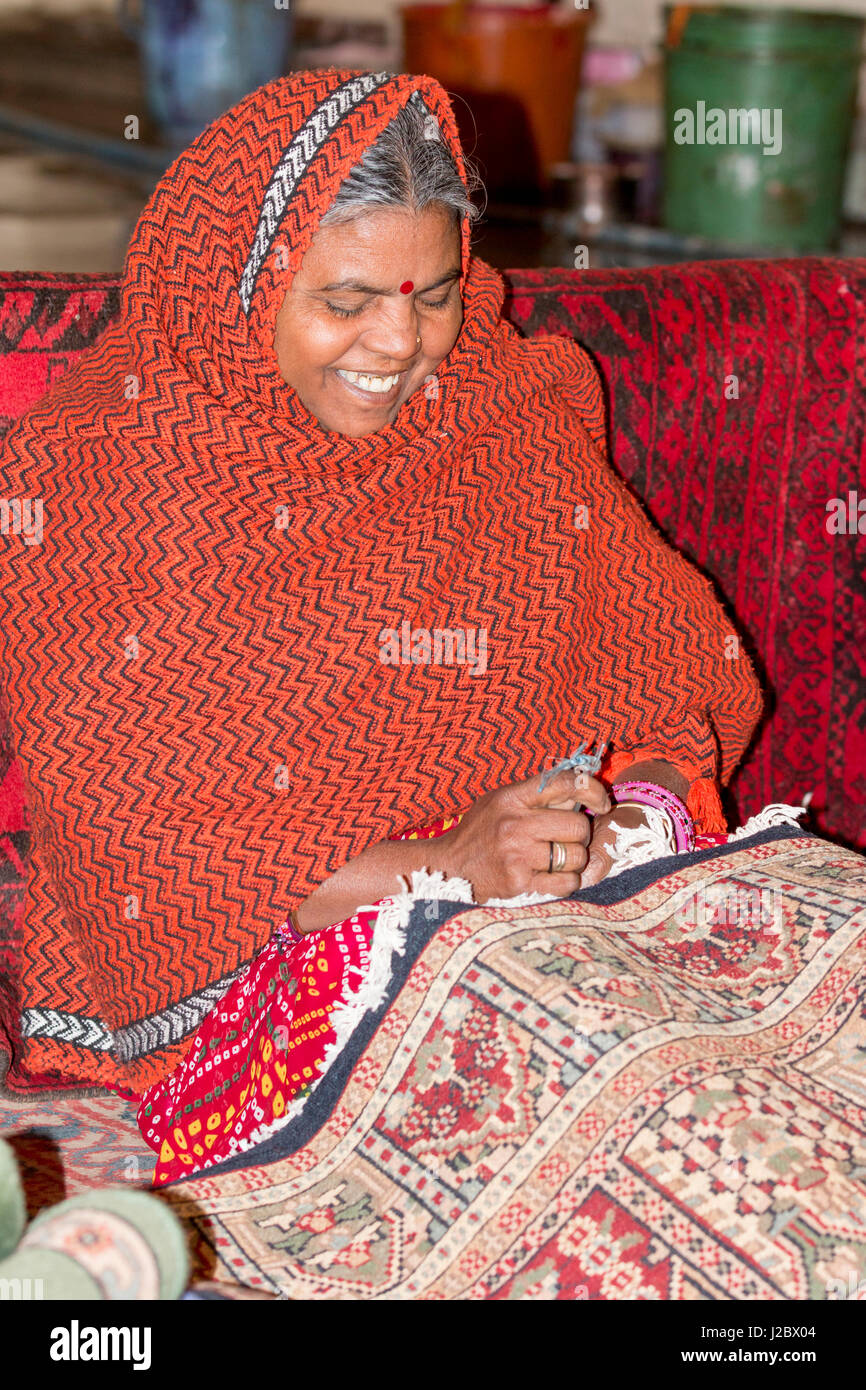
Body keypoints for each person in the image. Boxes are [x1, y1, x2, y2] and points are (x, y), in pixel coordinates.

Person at [0, 72, 761, 1149]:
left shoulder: (501, 412)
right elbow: (152, 865)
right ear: (240, 287)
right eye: (345, 303)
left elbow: (662, 671)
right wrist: (451, 865)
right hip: (281, 978)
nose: (400, 347)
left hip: (570, 906)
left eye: (434, 293)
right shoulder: (89, 483)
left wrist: (621, 822)